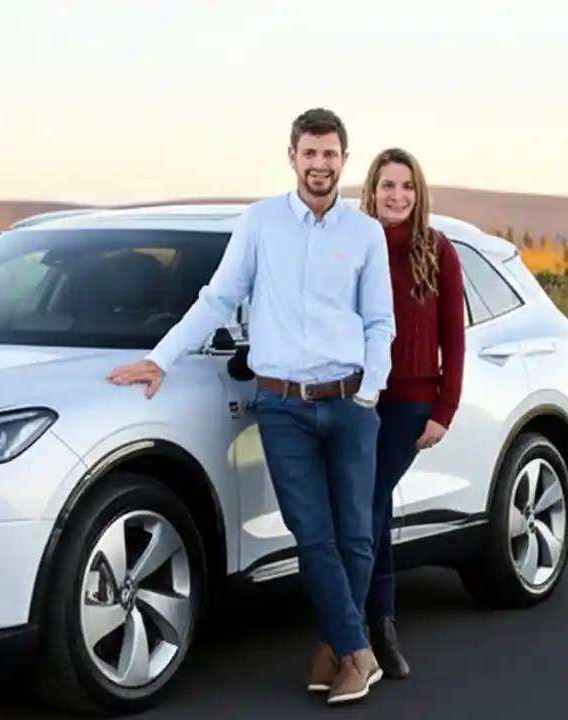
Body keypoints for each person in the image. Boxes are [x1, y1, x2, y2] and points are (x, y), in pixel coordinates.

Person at [107, 108, 396, 705]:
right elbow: (218, 298)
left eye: (331, 155)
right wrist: (162, 358)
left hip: (349, 402)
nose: (320, 165)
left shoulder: (364, 233)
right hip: (282, 406)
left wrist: (370, 392)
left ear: (344, 160)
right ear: (292, 156)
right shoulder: (261, 224)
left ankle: (336, 646)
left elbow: (379, 321)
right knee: (311, 534)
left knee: (357, 536)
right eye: (310, 154)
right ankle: (359, 652)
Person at [357, 148, 466, 680]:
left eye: (406, 186)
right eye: (386, 186)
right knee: (371, 507)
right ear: (371, 191)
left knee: (370, 500)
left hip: (411, 402)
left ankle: (373, 626)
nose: (396, 196)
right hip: (358, 398)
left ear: (418, 194)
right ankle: (374, 627)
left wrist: (445, 407)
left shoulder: (437, 250)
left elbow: (454, 337)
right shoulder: (354, 245)